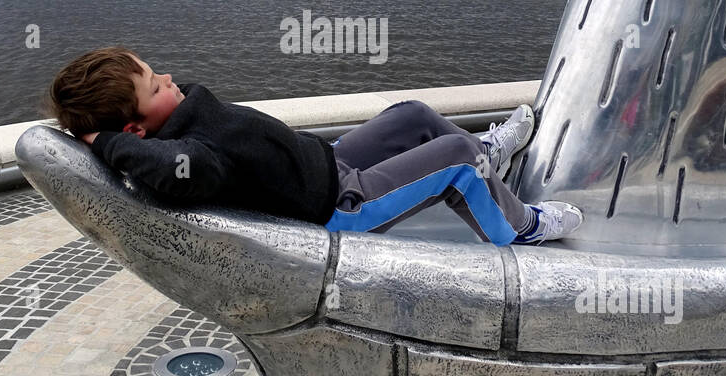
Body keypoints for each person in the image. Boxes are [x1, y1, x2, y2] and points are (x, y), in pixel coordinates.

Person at [45, 46, 583, 245]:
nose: (168, 77)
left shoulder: (178, 122)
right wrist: (105, 139)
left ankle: (490, 154)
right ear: (134, 132)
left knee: (413, 115)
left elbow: (160, 112)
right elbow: (169, 172)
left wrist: (136, 105)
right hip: (342, 206)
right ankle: (520, 226)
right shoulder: (185, 157)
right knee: (457, 166)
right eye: (155, 84)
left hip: (331, 160)